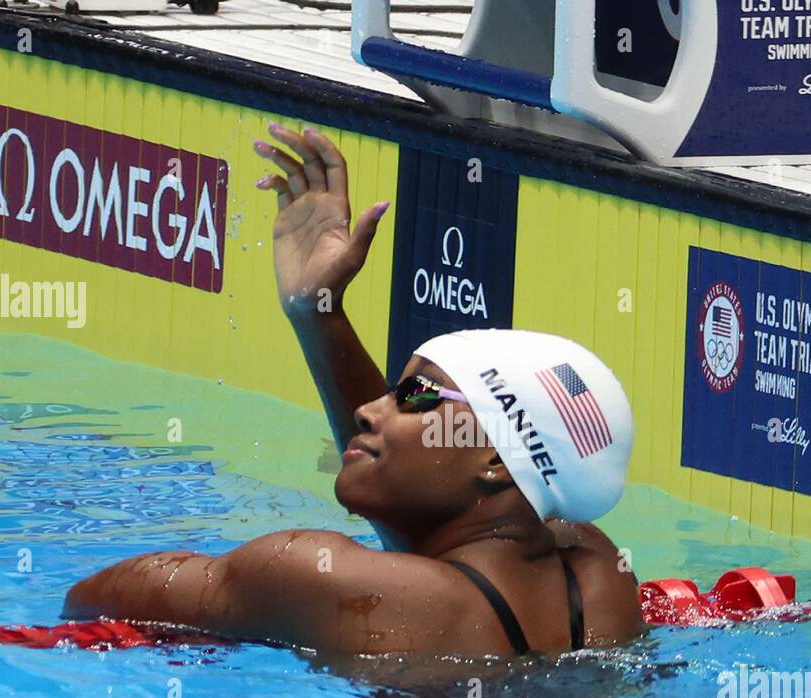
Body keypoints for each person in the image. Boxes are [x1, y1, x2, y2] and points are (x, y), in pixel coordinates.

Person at [63, 124, 645, 656]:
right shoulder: (600, 578)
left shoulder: (325, 579)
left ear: (495, 457)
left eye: (415, 395)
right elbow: (444, 526)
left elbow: (92, 601)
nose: (370, 408)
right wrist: (316, 313)